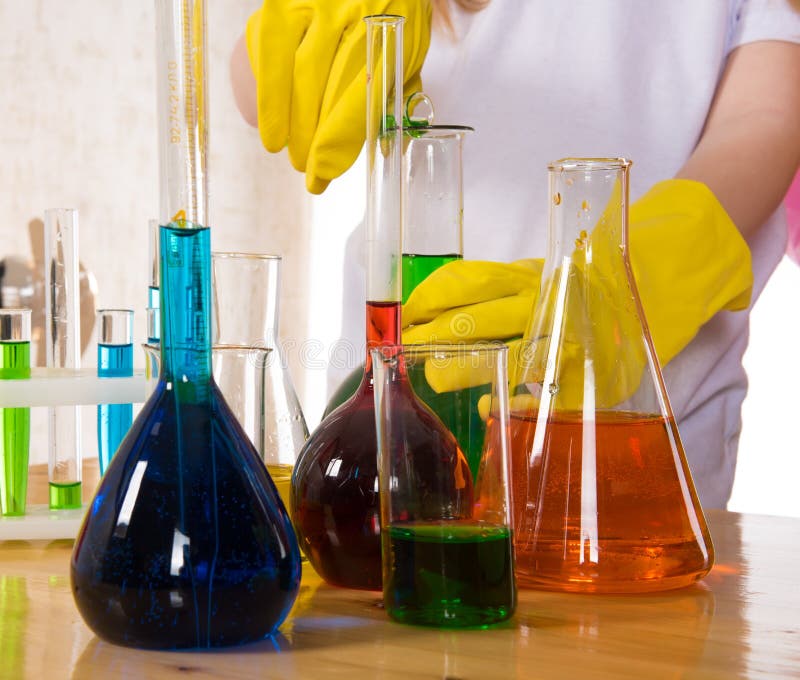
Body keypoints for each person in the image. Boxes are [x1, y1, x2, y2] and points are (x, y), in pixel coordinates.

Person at [231, 0, 800, 509]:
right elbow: (260, 86)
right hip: (403, 412)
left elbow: (767, 117)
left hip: (632, 431)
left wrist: (636, 273)